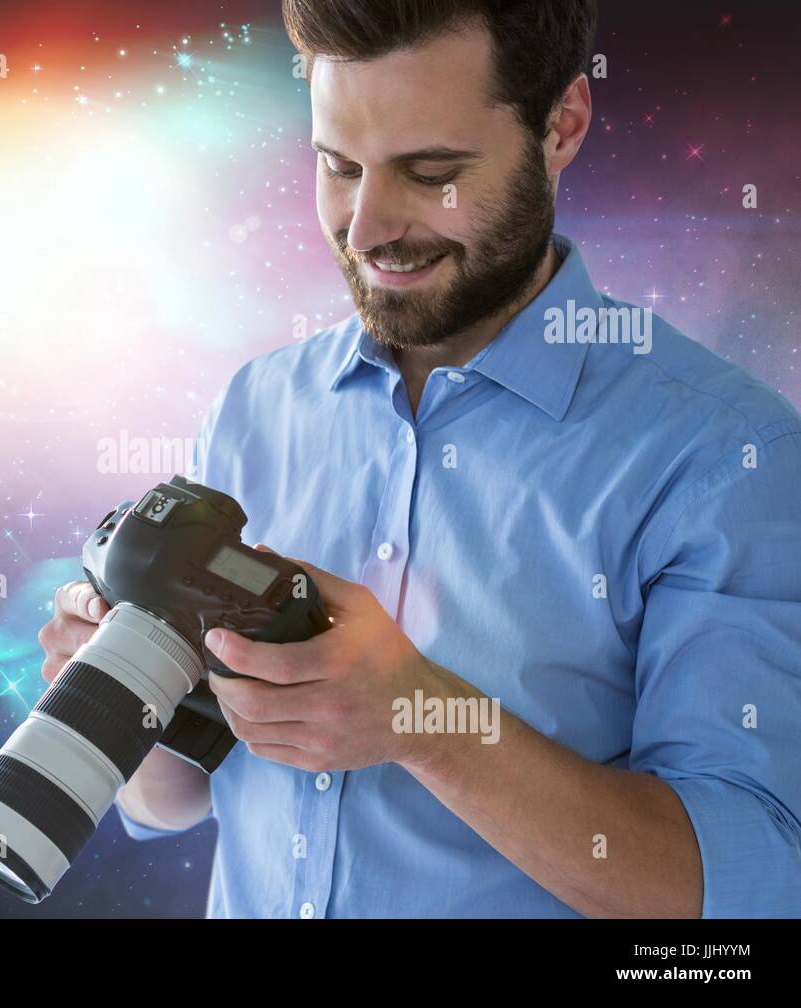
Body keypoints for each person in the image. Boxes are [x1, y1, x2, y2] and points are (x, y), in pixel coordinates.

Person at [39, 0, 801, 918]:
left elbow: (750, 886)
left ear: (561, 125)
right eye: (339, 166)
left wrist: (426, 722)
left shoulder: (724, 456)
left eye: (430, 172)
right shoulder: (256, 405)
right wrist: (130, 688)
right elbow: (172, 802)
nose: (366, 231)